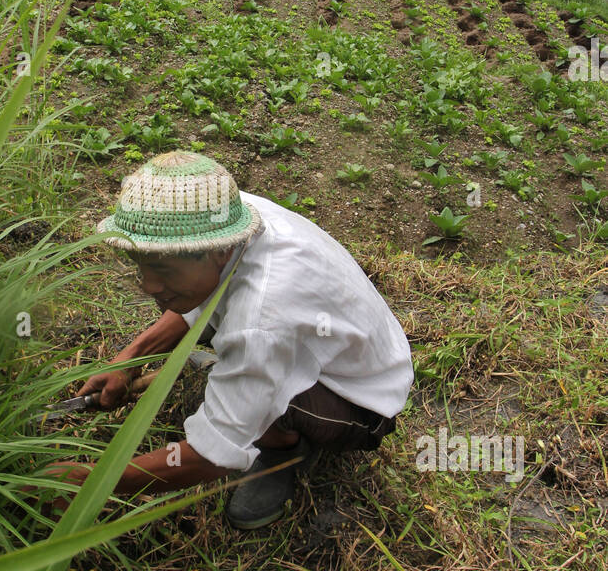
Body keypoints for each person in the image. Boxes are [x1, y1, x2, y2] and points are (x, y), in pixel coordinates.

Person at [53, 150, 413, 531]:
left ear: (220, 249)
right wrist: (129, 361)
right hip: (335, 342)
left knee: (254, 380)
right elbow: (197, 299)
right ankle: (246, 383)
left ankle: (282, 448)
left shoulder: (262, 317)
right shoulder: (226, 217)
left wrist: (91, 482)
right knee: (236, 343)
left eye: (161, 269)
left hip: (361, 399)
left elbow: (212, 455)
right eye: (140, 266)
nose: (148, 285)